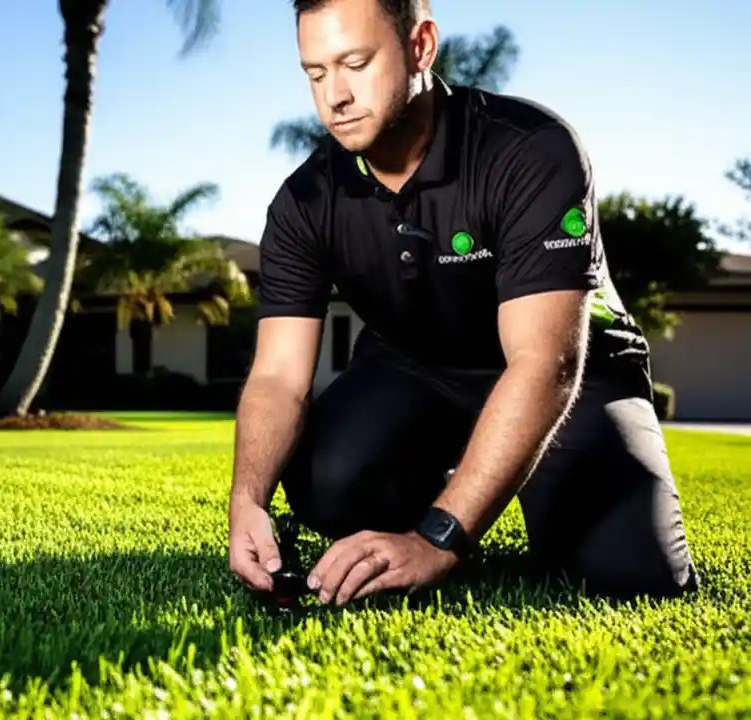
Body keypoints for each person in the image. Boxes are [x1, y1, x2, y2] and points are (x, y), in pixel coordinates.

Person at [226, 0, 700, 606]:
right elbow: (276, 376)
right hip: (417, 364)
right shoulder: (303, 201)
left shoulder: (530, 150)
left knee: (632, 578)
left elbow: (545, 362)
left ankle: (495, 486)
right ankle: (461, 474)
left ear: (421, 46)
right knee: (328, 485)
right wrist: (247, 500)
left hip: (577, 369)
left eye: (356, 63)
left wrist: (438, 538)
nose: (334, 96)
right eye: (316, 73)